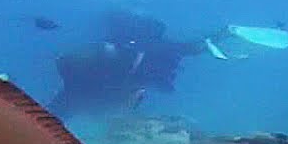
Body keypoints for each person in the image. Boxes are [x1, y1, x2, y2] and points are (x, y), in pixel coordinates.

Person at [49, 10, 204, 116]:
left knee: (64, 106)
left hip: (96, 79)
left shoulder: (127, 47)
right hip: (102, 80)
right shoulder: (152, 50)